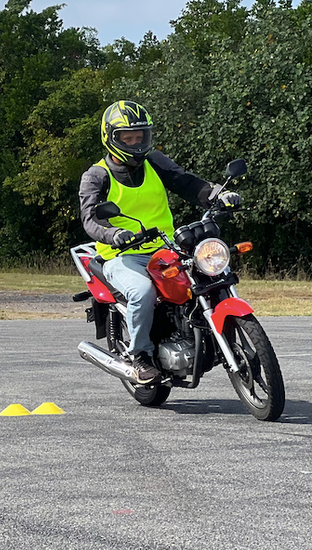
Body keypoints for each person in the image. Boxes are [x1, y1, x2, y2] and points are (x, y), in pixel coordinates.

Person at [78, 100, 240, 383]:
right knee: (142, 292)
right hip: (121, 255)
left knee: (212, 275)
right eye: (127, 137)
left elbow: (186, 182)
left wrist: (216, 195)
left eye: (139, 136)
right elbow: (90, 218)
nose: (135, 143)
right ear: (110, 137)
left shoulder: (154, 161)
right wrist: (114, 235)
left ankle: (214, 338)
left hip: (166, 249)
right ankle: (139, 355)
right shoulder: (96, 175)